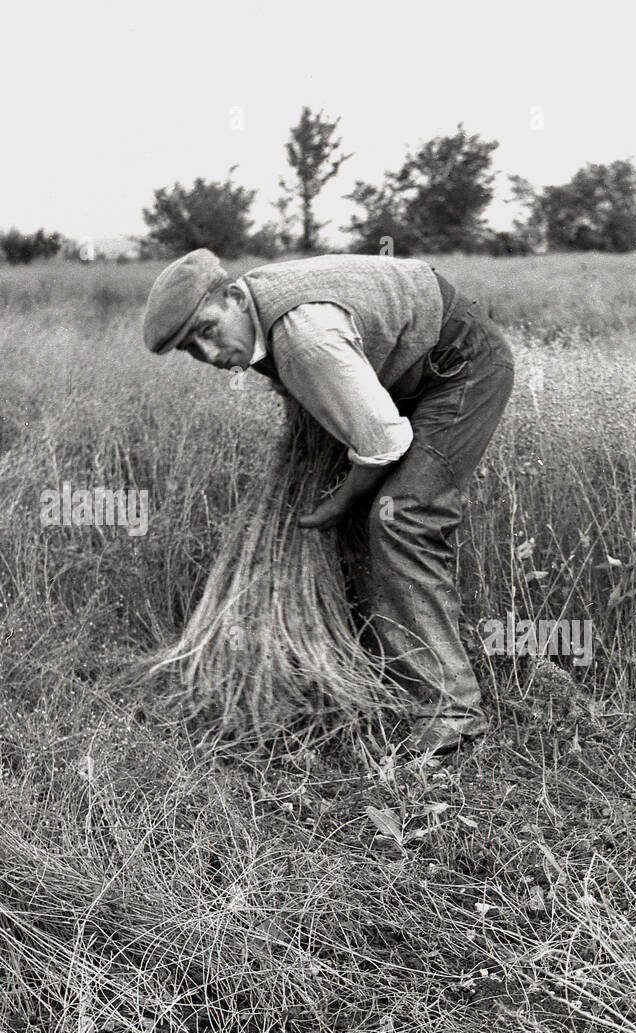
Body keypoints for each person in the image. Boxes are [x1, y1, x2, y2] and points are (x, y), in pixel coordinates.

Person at [142, 248, 514, 756]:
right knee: (372, 520)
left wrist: (338, 503)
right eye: (190, 349)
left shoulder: (305, 341)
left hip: (459, 369)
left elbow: (382, 443)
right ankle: (376, 667)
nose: (208, 355)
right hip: (403, 368)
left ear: (232, 296)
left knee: (400, 517)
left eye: (207, 331)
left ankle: (452, 710)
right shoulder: (257, 311)